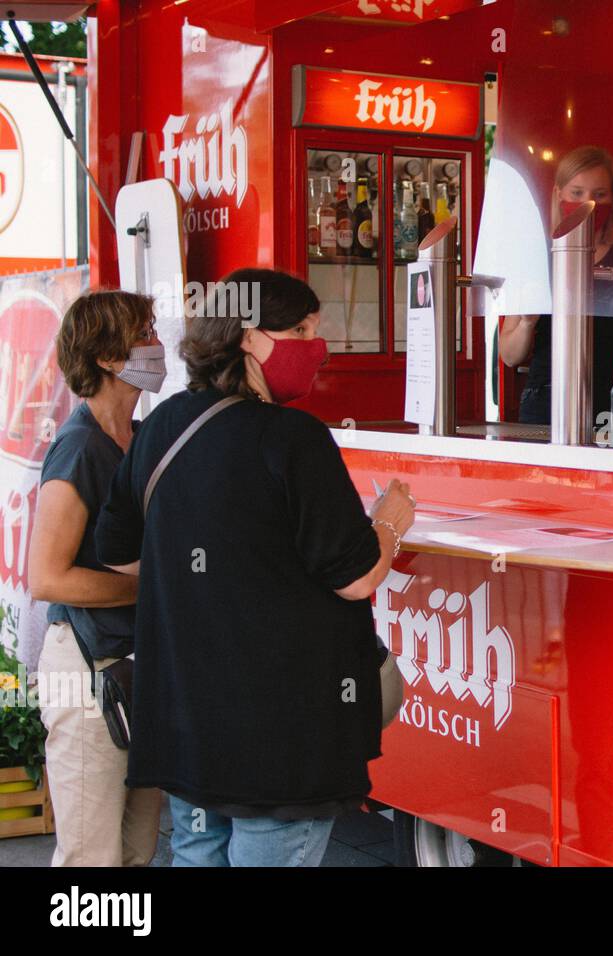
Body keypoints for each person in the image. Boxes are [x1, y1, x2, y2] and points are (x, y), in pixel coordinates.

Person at [94, 269, 415, 867]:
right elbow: (358, 575)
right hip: (281, 738)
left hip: (188, 720)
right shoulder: (295, 438)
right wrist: (391, 521)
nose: (315, 346)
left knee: (196, 854)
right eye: (298, 329)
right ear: (248, 338)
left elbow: (118, 548)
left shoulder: (164, 424)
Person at [30, 290, 165, 866]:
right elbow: (47, 577)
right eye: (144, 332)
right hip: (86, 672)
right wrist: (152, 589)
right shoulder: (79, 446)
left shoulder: (135, 437)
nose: (157, 344)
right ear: (108, 356)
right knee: (91, 859)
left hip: (132, 668)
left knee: (136, 851)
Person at [499, 145, 613, 425]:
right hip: (545, 403)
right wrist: (527, 323)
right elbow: (509, 355)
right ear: (558, 195)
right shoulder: (535, 255)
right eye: (577, 193)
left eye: (599, 195)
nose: (588, 203)